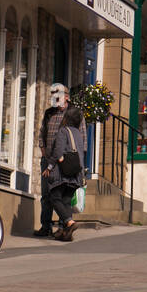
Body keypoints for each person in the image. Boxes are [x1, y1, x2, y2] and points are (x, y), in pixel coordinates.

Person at [34, 84, 82, 238]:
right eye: (52, 93)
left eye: (57, 93)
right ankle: (45, 226)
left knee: (62, 196)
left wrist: (79, 164)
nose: (54, 96)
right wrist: (43, 151)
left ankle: (64, 226)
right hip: (48, 160)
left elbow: (82, 140)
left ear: (66, 96)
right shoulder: (49, 114)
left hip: (65, 162)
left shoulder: (73, 114)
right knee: (46, 195)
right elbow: (42, 134)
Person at [43, 106, 86, 241]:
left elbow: (58, 152)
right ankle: (66, 234)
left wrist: (49, 167)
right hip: (75, 174)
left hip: (62, 174)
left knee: (54, 198)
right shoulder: (78, 134)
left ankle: (69, 222)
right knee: (66, 202)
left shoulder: (63, 131)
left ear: (66, 118)